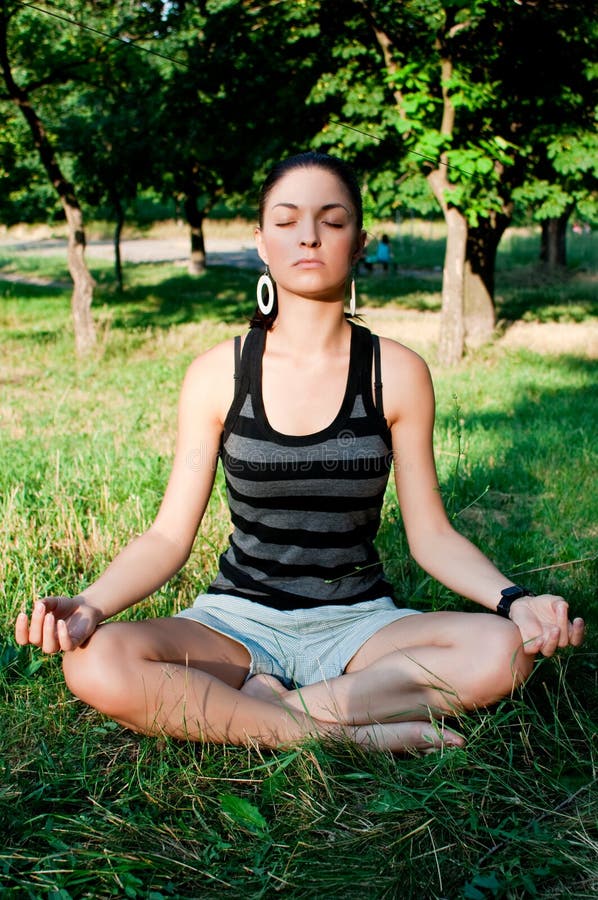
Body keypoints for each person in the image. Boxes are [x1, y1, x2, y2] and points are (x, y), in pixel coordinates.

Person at [15, 151, 585, 754]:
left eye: (332, 221)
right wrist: (88, 604)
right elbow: (165, 539)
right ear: (261, 242)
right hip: (236, 621)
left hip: (361, 623)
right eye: (287, 221)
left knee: (504, 652)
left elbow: (432, 536)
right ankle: (345, 736)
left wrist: (516, 601)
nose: (309, 236)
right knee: (93, 662)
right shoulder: (218, 375)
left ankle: (277, 709)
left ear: (360, 242)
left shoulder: (395, 373)